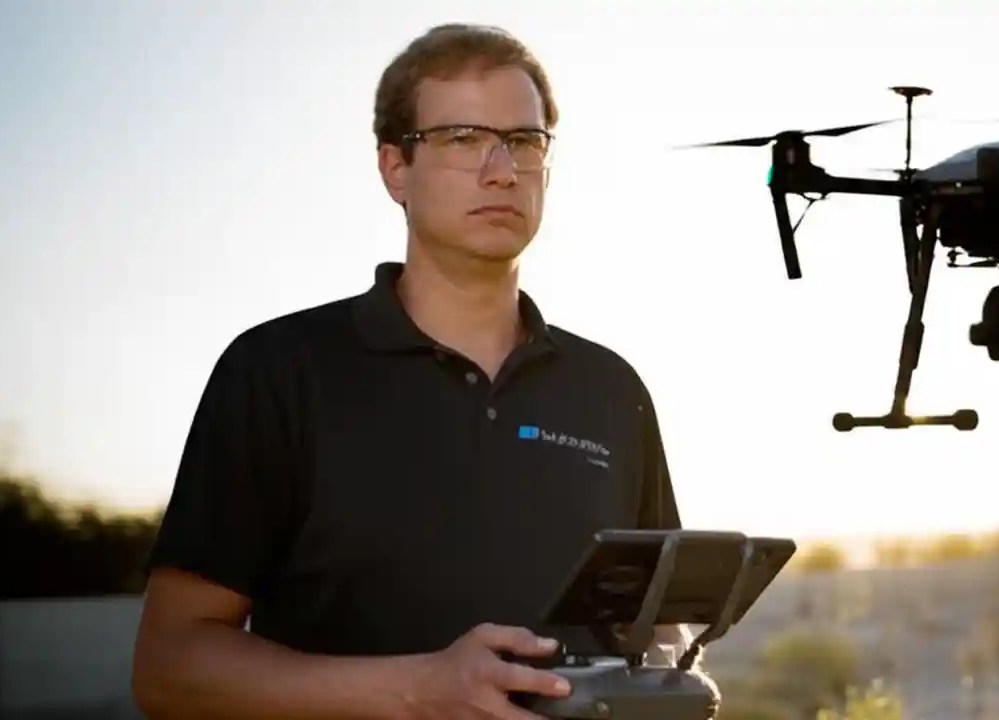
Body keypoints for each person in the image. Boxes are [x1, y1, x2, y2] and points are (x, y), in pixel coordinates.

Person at [131, 23, 689, 720]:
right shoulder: (278, 370)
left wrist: (670, 679)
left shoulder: (612, 388)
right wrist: (420, 689)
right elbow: (169, 668)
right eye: (461, 138)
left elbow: (661, 627)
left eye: (523, 141)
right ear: (395, 167)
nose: (501, 169)